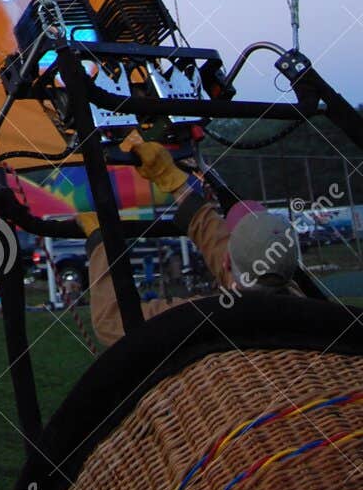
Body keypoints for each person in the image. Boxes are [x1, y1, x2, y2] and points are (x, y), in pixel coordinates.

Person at [84, 135, 302, 349]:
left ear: (226, 261)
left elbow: (112, 323)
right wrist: (174, 181)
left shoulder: (207, 319)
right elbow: (243, 269)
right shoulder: (306, 306)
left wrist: (101, 243)